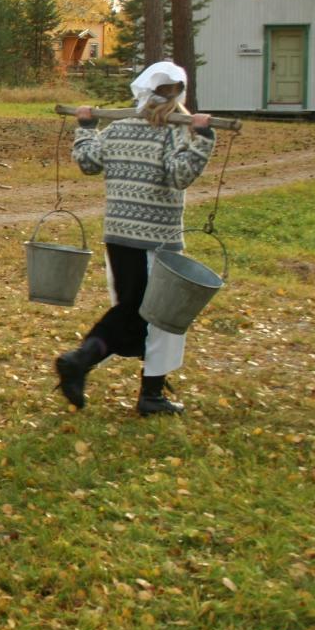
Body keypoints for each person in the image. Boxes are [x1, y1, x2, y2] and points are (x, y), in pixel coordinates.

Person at [54, 61, 216, 417]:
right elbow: (179, 176)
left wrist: (86, 127)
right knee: (158, 315)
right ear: (179, 93)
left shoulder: (118, 129)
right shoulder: (176, 132)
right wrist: (202, 139)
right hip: (156, 239)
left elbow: (88, 160)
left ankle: (96, 366)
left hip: (119, 236)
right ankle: (130, 384)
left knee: (135, 309)